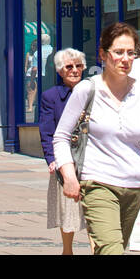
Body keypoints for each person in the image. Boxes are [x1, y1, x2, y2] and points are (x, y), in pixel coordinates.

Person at [53, 22, 140, 255]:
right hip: (97, 182)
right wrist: (68, 175)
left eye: (130, 53)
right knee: (111, 250)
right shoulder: (87, 90)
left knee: (114, 248)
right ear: (103, 55)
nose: (125, 59)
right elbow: (61, 137)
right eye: (118, 52)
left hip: (134, 185)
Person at [40, 48, 88, 254]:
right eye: (69, 67)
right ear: (60, 71)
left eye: (79, 66)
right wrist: (52, 159)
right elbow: (47, 130)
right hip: (66, 160)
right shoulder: (50, 96)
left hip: (92, 158)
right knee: (68, 210)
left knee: (97, 210)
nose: (75, 70)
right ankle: (67, 250)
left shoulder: (92, 92)